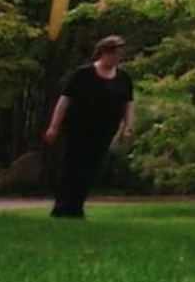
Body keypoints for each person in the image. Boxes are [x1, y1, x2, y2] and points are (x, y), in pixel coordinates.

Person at [43, 35, 136, 218]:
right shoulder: (83, 74)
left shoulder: (123, 78)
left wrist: (128, 127)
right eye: (114, 53)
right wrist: (54, 126)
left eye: (119, 54)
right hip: (78, 128)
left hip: (104, 130)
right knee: (72, 166)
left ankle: (77, 206)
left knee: (91, 168)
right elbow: (65, 100)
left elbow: (128, 104)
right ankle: (62, 207)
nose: (117, 57)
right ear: (103, 52)